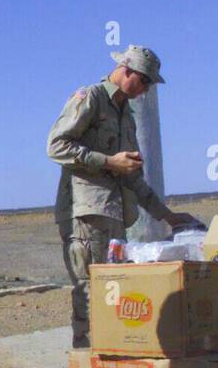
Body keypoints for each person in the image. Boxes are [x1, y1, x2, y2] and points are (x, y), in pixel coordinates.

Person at [47, 45, 202, 348]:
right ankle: (90, 364)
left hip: (115, 214)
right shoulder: (90, 97)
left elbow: (132, 176)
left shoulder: (126, 115)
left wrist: (167, 216)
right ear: (127, 70)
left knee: (113, 291)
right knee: (91, 292)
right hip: (86, 214)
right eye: (144, 81)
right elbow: (56, 146)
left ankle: (112, 361)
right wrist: (108, 161)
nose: (145, 89)